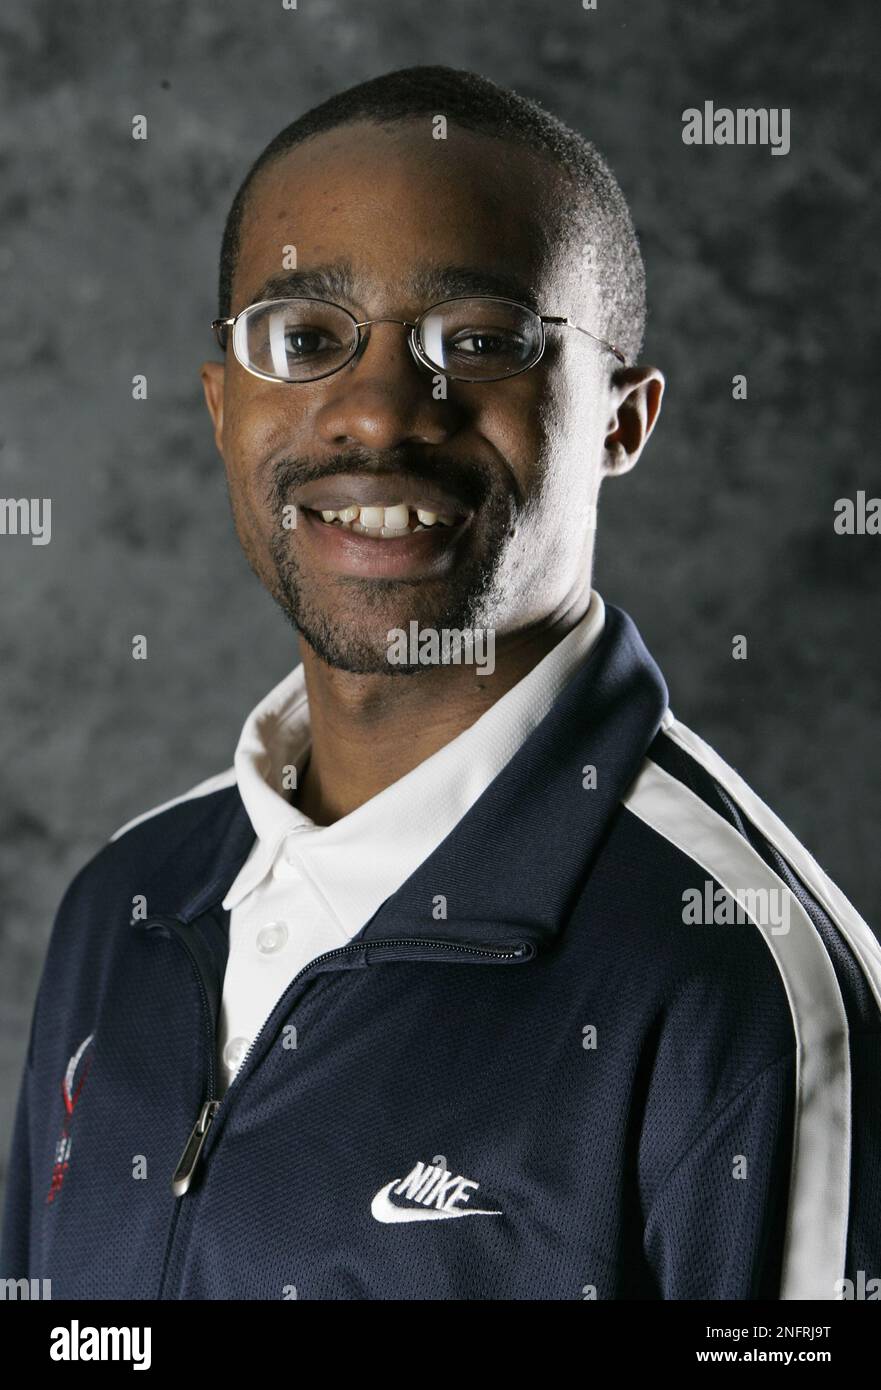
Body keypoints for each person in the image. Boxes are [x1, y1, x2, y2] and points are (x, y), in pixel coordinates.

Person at [2, 65, 879, 1301]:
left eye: (477, 342)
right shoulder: (129, 904)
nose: (375, 413)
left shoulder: (738, 976)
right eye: (303, 340)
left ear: (623, 419)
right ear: (220, 405)